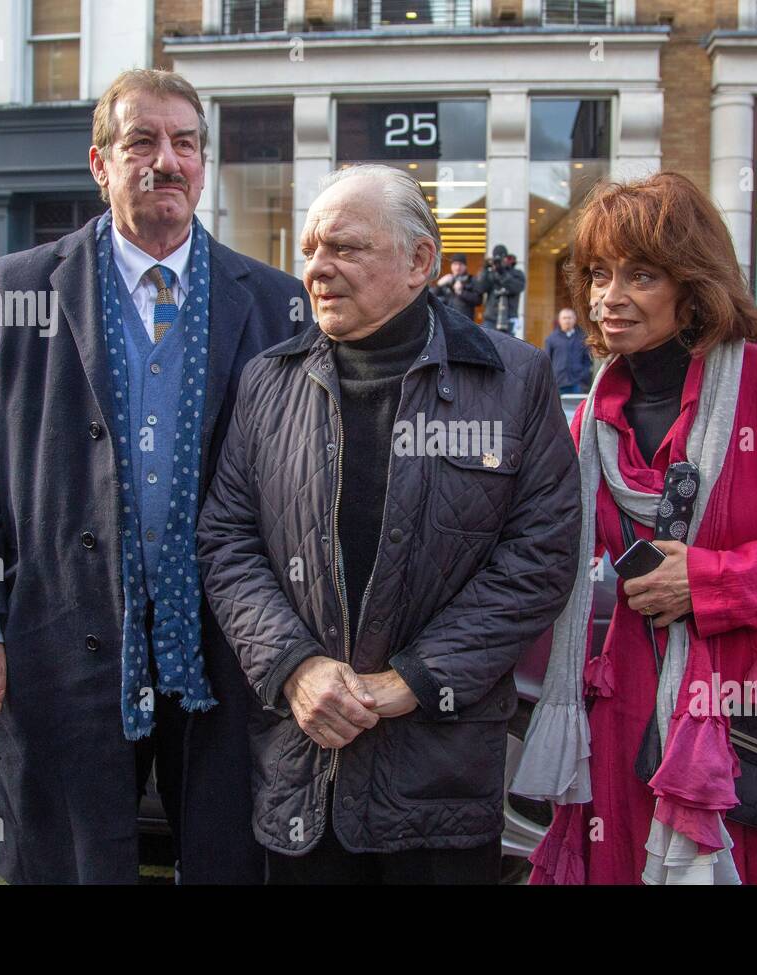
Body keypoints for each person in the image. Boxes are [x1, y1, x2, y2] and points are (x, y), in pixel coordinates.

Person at [0, 69, 309, 884]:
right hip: (58, 656)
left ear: (203, 165)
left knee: (229, 865)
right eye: (142, 141)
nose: (166, 160)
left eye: (185, 143)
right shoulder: (15, 292)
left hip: (228, 661)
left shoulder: (277, 304)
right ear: (100, 164)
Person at [196, 164, 581, 885]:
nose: (316, 269)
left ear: (418, 262)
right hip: (306, 771)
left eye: (343, 247)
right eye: (309, 249)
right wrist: (297, 668)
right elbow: (227, 539)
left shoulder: (514, 380)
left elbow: (542, 554)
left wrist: (415, 677)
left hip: (438, 777)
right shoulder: (267, 382)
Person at [512, 172, 757, 885]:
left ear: (694, 286)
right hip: (626, 697)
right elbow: (546, 544)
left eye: (640, 274)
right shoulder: (593, 415)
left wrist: (710, 579)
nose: (607, 296)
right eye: (597, 273)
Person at [477, 244, 525, 336]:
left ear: (507, 258)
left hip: (509, 319)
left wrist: (502, 273)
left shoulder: (516, 274)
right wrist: (485, 269)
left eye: (501, 259)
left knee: (508, 349)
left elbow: (517, 287)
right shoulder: (490, 274)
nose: (499, 262)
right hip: (490, 320)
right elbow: (480, 288)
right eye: (496, 260)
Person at [544, 308, 593, 395]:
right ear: (559, 320)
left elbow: (588, 361)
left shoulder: (583, 338)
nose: (567, 321)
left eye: (569, 318)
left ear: (574, 319)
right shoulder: (551, 339)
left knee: (576, 408)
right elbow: (547, 361)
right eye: (564, 318)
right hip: (558, 383)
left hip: (578, 383)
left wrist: (583, 376)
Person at [432, 252, 482, 320]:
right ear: (451, 266)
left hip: (465, 321)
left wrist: (461, 292)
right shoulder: (447, 280)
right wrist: (439, 284)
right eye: (455, 264)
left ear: (465, 266)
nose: (458, 267)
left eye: (461, 264)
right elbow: (431, 297)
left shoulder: (471, 280)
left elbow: (478, 300)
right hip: (448, 321)